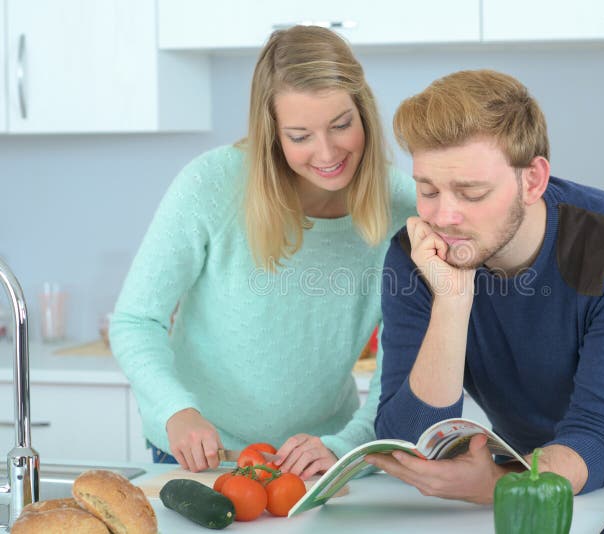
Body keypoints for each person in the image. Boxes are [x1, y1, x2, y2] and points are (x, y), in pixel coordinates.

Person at [367, 69, 604, 502]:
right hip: (532, 446)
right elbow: (410, 441)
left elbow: (601, 434)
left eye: (471, 192)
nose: (444, 217)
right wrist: (452, 301)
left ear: (531, 180)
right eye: (428, 190)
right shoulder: (416, 257)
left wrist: (498, 486)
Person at [110, 25, 415, 478]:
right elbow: (136, 320)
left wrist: (349, 445)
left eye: (341, 125)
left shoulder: (403, 206)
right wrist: (177, 411)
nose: (327, 152)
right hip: (204, 452)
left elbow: (402, 356)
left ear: (363, 112)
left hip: (324, 458)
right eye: (299, 136)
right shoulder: (211, 184)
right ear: (272, 132)